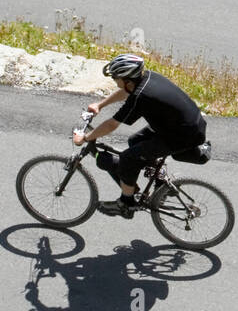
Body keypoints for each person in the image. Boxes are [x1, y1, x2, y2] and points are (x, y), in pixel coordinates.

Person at [73, 54, 209, 219]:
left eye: (117, 78)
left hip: (183, 135)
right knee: (134, 141)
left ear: (127, 79)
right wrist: (100, 105)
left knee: (128, 159)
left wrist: (86, 138)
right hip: (185, 125)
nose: (115, 81)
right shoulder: (146, 78)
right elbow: (125, 92)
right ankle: (159, 180)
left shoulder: (140, 96)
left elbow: (112, 124)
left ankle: (125, 203)